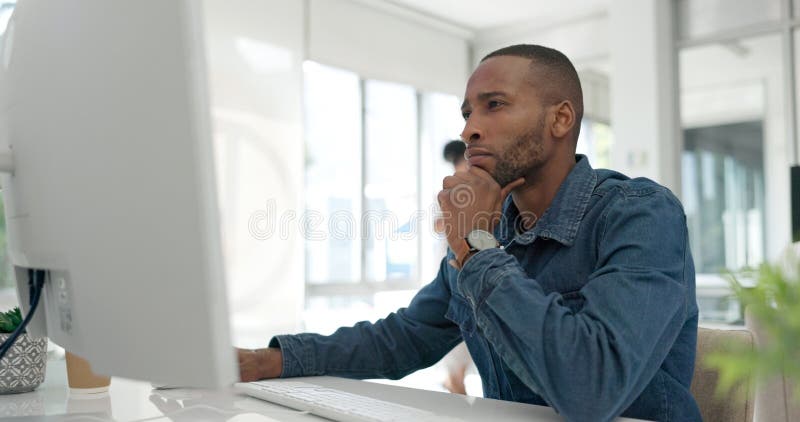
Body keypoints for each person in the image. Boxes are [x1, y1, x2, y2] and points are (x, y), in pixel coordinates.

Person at [238, 44, 701, 422]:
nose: (469, 130)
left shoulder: (641, 214)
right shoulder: (494, 228)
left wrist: (477, 247)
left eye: (494, 105)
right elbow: (404, 336)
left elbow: (593, 387)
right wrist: (268, 361)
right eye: (466, 113)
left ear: (560, 119)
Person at [436, 139, 475, 395]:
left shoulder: (465, 182)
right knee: (459, 345)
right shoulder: (456, 183)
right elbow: (439, 225)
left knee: (463, 345)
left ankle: (454, 385)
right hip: (457, 261)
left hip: (465, 260)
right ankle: (455, 386)